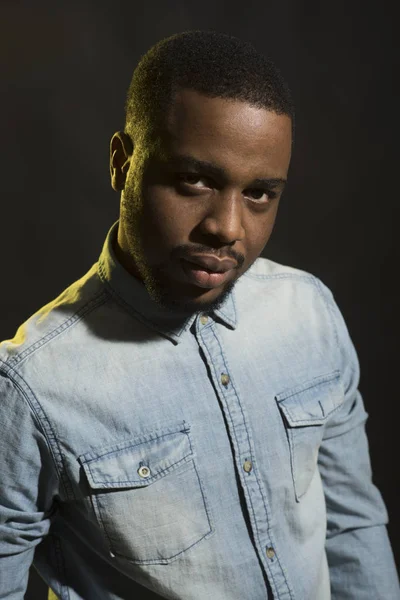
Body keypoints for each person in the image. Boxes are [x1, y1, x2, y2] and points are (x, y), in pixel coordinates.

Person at [0, 30, 398, 600]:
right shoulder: (27, 388)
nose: (228, 228)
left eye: (260, 193)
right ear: (122, 162)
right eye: (195, 179)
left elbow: (352, 527)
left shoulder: (309, 312)